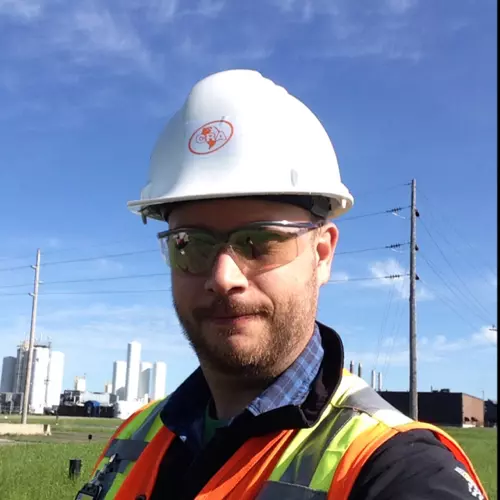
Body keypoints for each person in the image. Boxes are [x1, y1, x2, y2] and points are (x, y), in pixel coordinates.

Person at [76, 70, 488, 500]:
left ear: (322, 253)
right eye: (190, 244)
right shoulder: (140, 434)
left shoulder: (399, 471)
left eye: (259, 241)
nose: (223, 277)